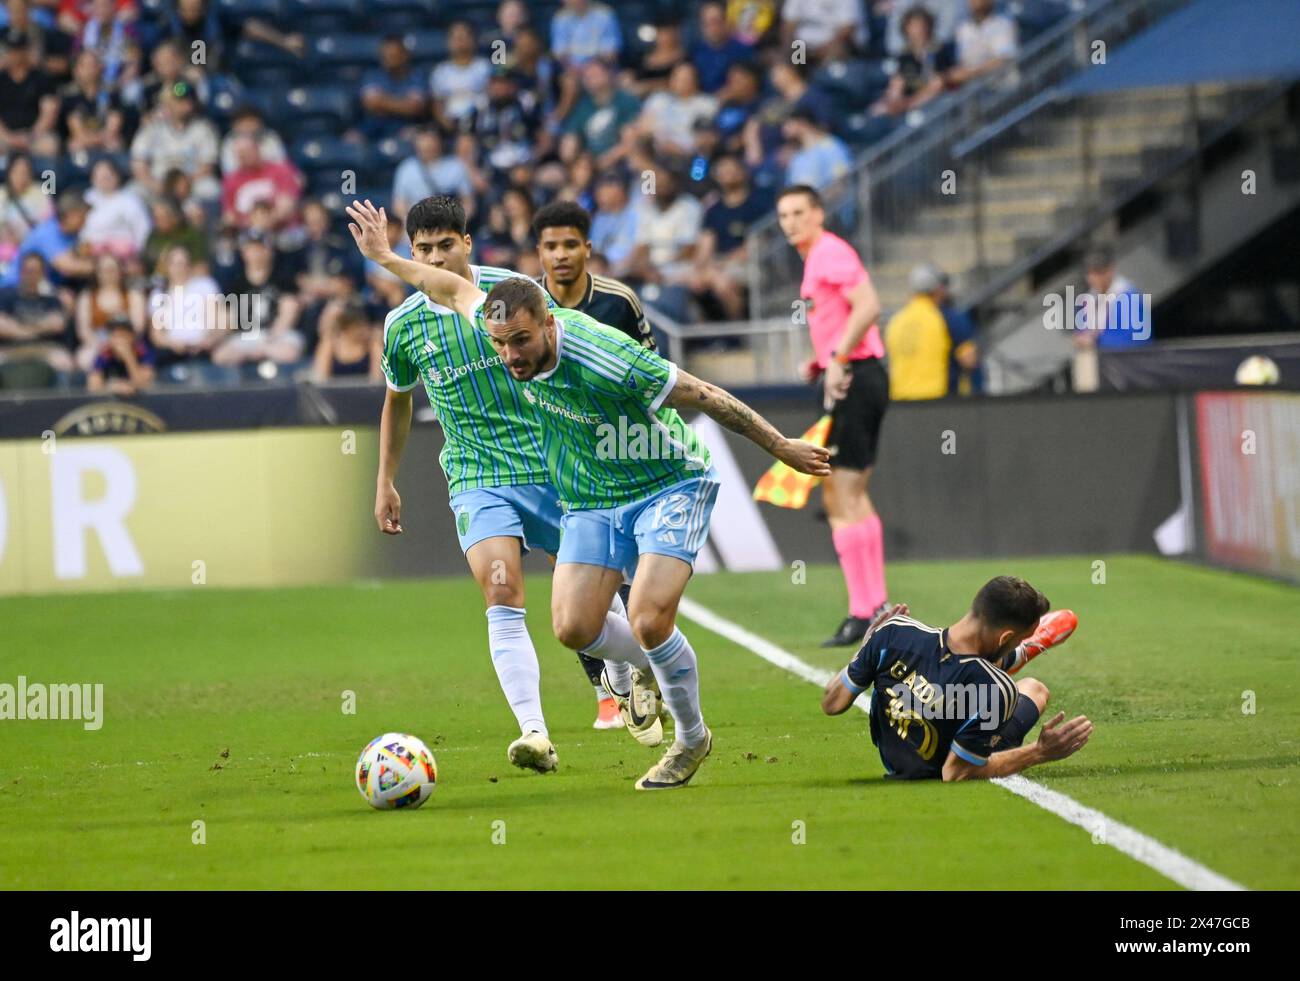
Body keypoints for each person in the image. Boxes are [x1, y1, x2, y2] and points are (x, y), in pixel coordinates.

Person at [347, 197, 832, 790]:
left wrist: (780, 444)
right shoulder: (496, 317)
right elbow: (447, 292)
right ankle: (611, 690)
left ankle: (690, 739)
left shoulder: (607, 357)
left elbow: (706, 395)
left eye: (519, 342)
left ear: (549, 322)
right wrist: (384, 257)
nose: (509, 357)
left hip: (665, 481)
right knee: (574, 628)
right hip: (590, 494)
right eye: (500, 345)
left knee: (651, 620)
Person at [349, 194, 656, 774]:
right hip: (477, 476)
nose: (435, 258)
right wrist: (385, 480)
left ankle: (641, 662)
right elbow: (398, 401)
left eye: (446, 245)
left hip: (555, 466)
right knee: (502, 593)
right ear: (412, 252)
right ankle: (535, 733)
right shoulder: (402, 327)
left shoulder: (508, 295)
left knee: (585, 617)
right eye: (423, 250)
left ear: (468, 243)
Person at [532, 198, 658, 729]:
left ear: (588, 247)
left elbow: (653, 372)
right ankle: (609, 688)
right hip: (553, 457)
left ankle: (631, 676)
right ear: (538, 252)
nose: (560, 255)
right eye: (550, 246)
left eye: (569, 244)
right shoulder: (523, 304)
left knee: (623, 568)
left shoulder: (618, 302)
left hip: (614, 450)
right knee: (570, 571)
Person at [820, 578, 1085, 780]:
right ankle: (1026, 649)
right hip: (950, 755)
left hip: (894, 757)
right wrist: (1039, 752)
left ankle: (1019, 650)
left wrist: (866, 646)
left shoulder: (892, 633)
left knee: (964, 672)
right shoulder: (997, 690)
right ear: (1005, 637)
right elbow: (955, 771)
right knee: (1033, 688)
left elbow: (832, 704)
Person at [777, 184, 889, 648]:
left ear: (819, 213)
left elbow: (869, 305)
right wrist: (823, 361)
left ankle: (863, 612)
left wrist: (839, 358)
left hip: (857, 377)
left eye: (800, 212)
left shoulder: (829, 253)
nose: (791, 222)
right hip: (855, 375)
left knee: (841, 495)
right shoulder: (818, 257)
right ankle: (874, 607)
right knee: (852, 495)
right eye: (784, 215)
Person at [883, 263, 951, 401]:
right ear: (937, 290)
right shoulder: (941, 318)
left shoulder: (896, 321)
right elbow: (968, 358)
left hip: (900, 397)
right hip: (934, 397)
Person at [87, 311, 154, 393]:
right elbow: (93, 385)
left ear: (132, 336)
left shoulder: (143, 351)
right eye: (114, 335)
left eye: (122, 335)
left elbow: (143, 384)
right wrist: (112, 387)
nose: (118, 340)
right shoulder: (105, 353)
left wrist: (128, 357)